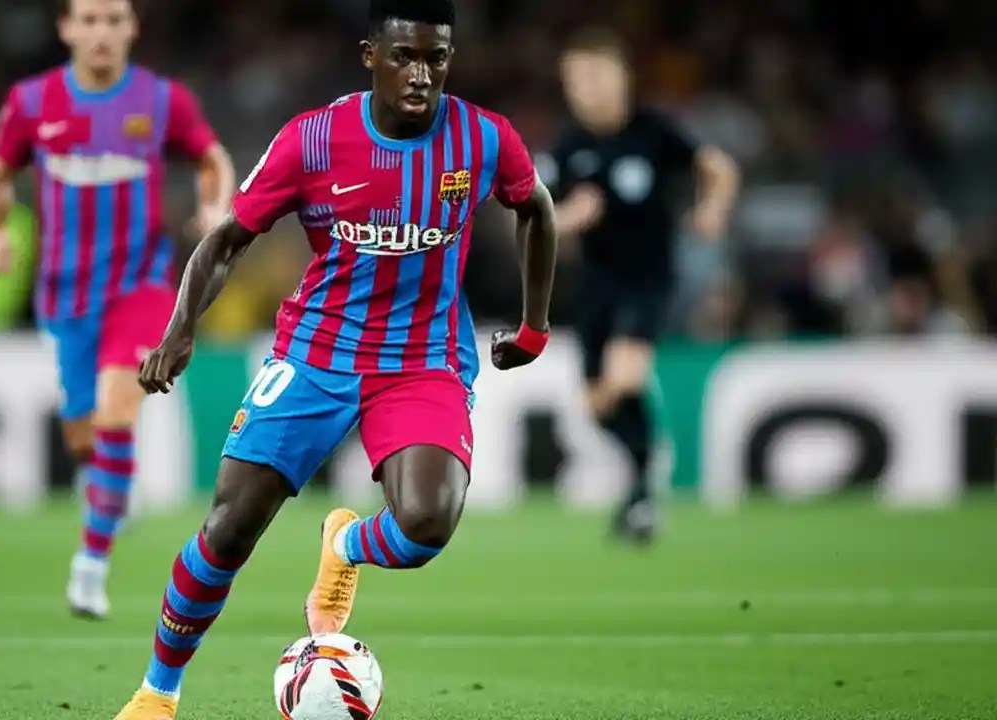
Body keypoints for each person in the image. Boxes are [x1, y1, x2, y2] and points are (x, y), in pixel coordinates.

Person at [114, 0, 558, 717]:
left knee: (425, 527)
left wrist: (536, 325)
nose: (421, 75)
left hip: (423, 360)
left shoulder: (482, 138)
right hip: (318, 351)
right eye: (404, 57)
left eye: (436, 60)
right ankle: (156, 695)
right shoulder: (313, 141)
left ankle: (346, 544)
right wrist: (179, 330)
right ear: (369, 55)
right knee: (229, 527)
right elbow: (226, 239)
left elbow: (535, 208)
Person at [0, 0, 235, 619]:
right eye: (88, 20)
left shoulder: (160, 100)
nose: (101, 33)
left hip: (139, 288)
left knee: (119, 410)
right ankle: (111, 490)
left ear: (132, 29)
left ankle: (89, 568)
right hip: (66, 295)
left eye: (113, 19)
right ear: (66, 28)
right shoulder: (33, 102)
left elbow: (211, 157)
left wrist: (213, 206)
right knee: (84, 436)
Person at [548, 27, 739, 543]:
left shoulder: (654, 131)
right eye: (575, 80)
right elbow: (537, 219)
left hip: (649, 278)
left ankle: (645, 480)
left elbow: (719, 167)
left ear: (622, 78)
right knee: (597, 404)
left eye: (593, 76)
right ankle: (640, 490)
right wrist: (571, 216)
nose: (584, 89)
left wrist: (713, 208)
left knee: (626, 378)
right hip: (595, 284)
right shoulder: (570, 146)